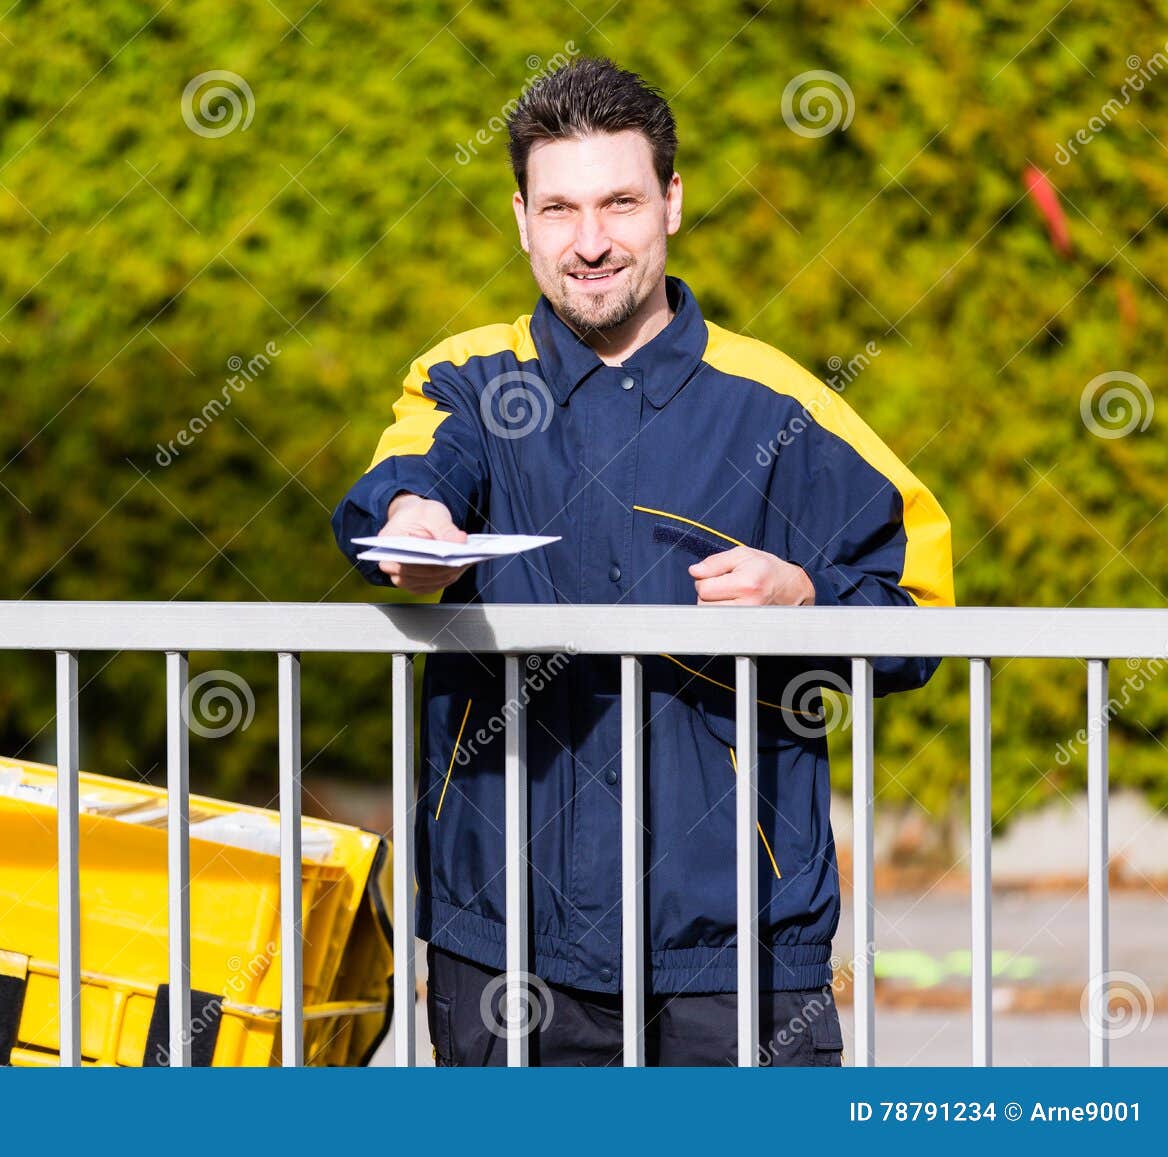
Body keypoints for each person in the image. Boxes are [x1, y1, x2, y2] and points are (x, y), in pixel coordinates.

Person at [330, 58, 953, 1065]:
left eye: (618, 202)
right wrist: (412, 521)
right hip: (505, 939)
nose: (589, 242)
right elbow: (411, 477)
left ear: (671, 201)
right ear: (521, 218)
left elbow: (919, 602)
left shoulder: (786, 405)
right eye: (559, 207)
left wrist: (804, 597)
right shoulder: (467, 376)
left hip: (740, 948)